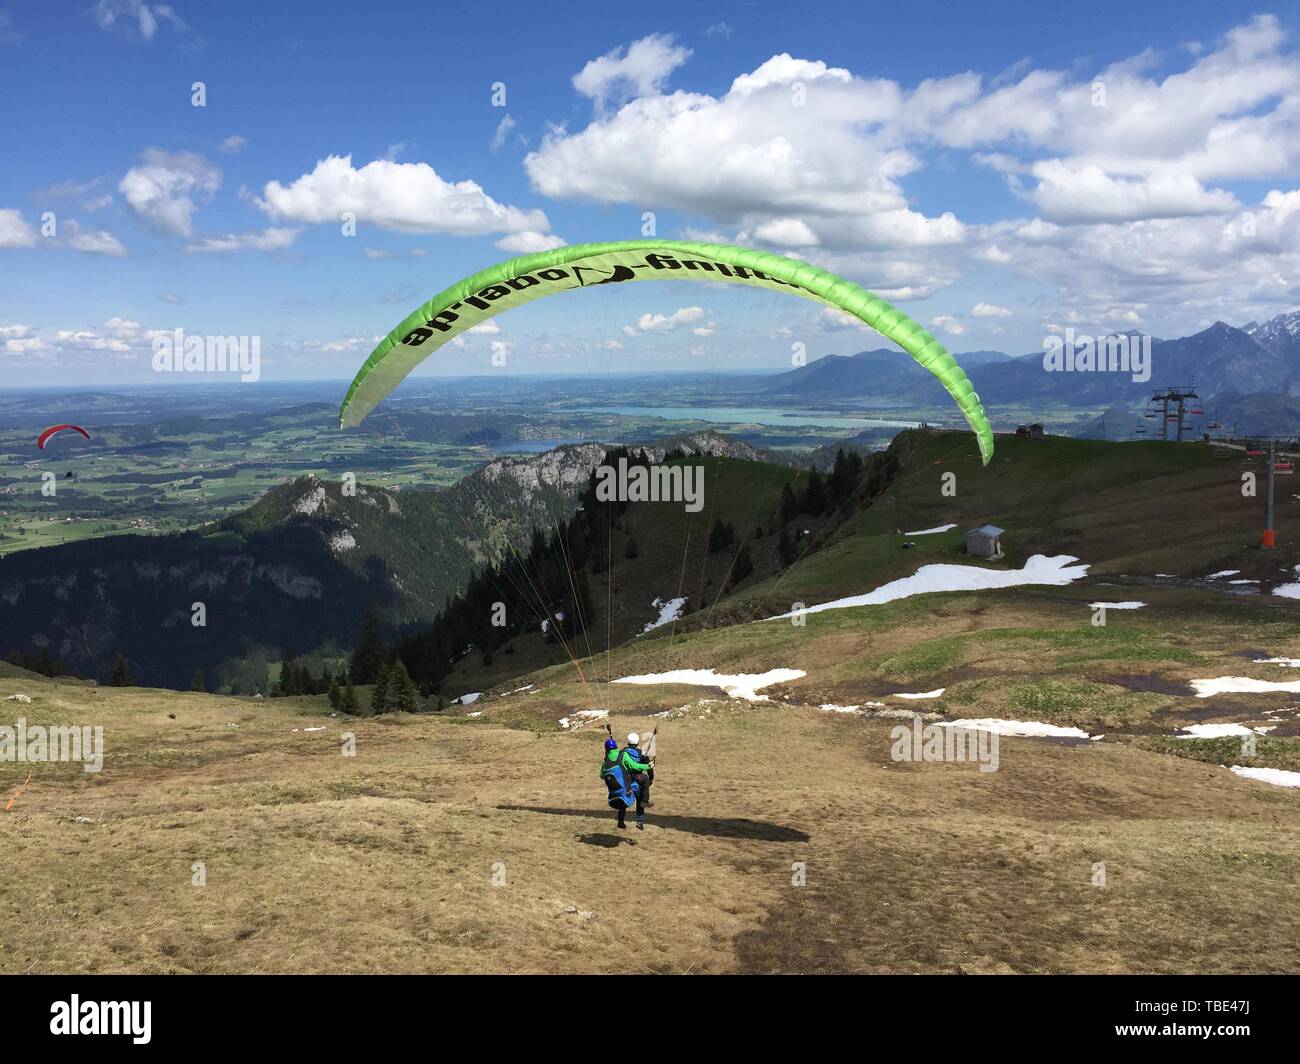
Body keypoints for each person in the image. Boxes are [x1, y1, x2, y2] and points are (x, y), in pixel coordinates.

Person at [620, 732, 654, 830]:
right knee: (641, 799)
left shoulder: (622, 752)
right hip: (638, 780)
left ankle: (621, 820)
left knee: (624, 799)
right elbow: (649, 768)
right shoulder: (641, 753)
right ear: (637, 742)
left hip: (626, 780)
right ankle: (640, 821)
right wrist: (651, 778)